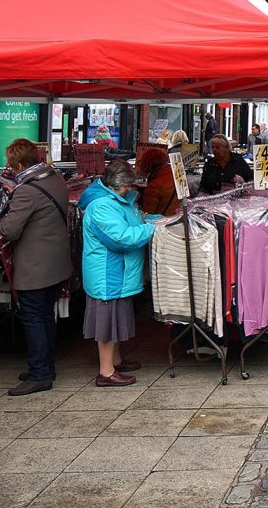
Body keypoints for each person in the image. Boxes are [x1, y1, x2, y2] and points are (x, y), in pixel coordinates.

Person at [0, 138, 72, 396]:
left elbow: (10, 229)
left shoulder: (26, 191)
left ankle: (40, 373)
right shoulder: (55, 178)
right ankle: (46, 366)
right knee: (45, 315)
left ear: (18, 165)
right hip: (55, 261)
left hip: (35, 266)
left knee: (32, 317)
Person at [79, 160, 157, 387]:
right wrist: (152, 228)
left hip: (117, 271)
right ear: (113, 185)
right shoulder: (101, 206)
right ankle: (106, 372)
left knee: (116, 318)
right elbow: (121, 238)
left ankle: (115, 361)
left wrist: (157, 220)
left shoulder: (116, 201)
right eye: (126, 186)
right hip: (108, 273)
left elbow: (136, 221)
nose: (130, 190)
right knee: (106, 322)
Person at [136, 145, 181, 217]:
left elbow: (147, 214)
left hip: (161, 221)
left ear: (147, 164)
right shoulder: (178, 176)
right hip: (176, 218)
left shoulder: (154, 186)